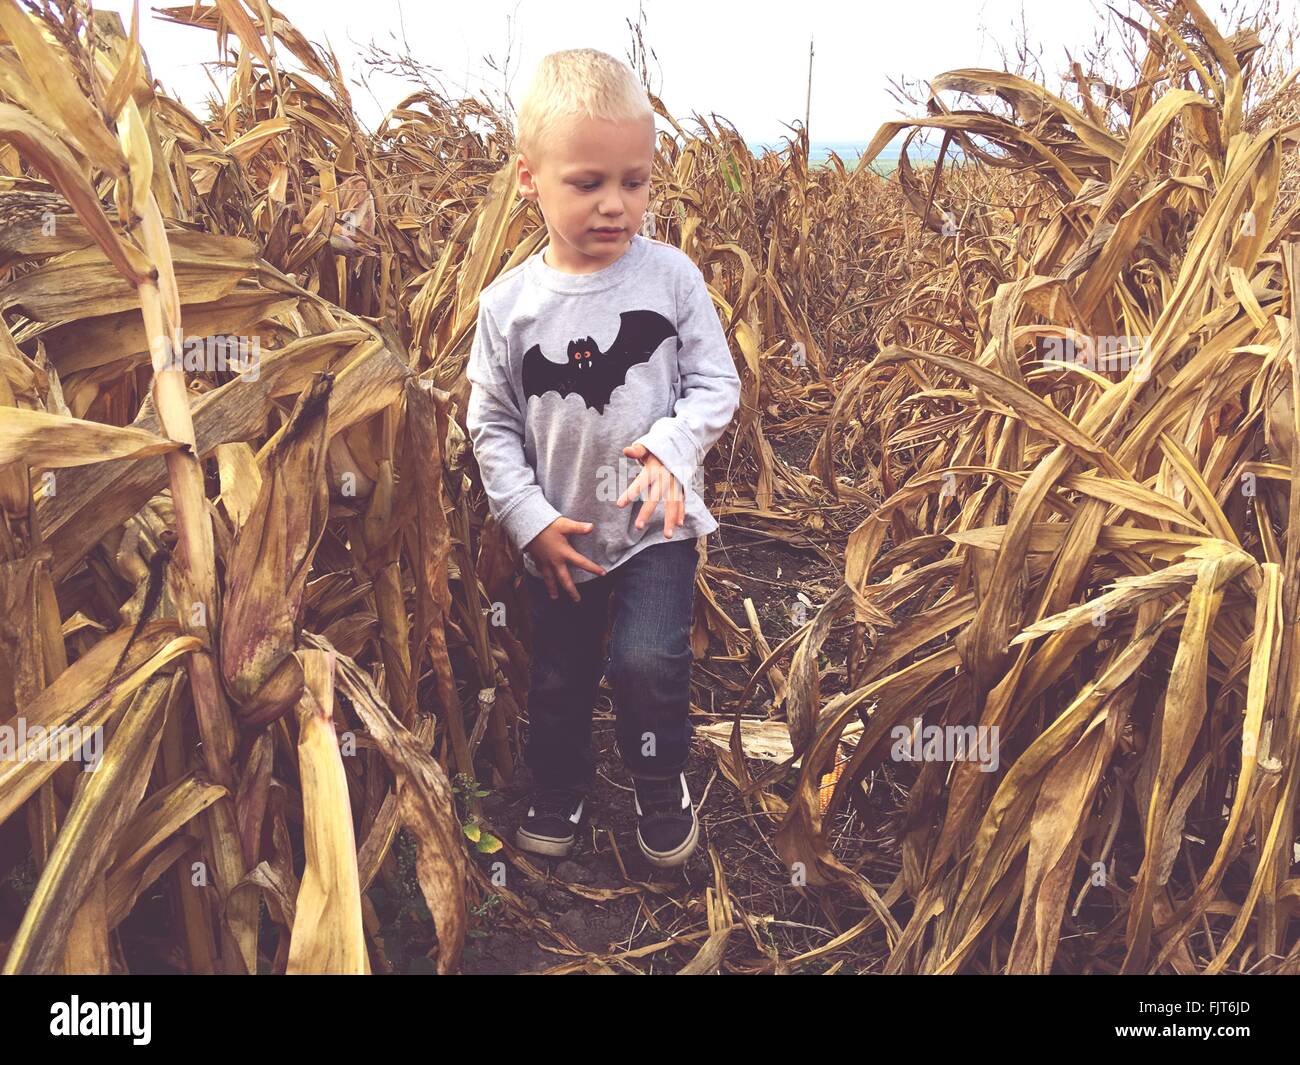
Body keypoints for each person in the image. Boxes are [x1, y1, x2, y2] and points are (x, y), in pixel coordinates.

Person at [464, 48, 742, 868]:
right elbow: (491, 422)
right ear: (529, 177)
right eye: (588, 183)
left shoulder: (671, 280)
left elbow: (715, 384)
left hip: (655, 521)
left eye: (636, 180)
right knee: (559, 676)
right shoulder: (507, 307)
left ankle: (661, 783)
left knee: (648, 662)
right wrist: (529, 519)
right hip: (565, 531)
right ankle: (560, 787)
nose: (616, 205)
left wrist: (669, 450)